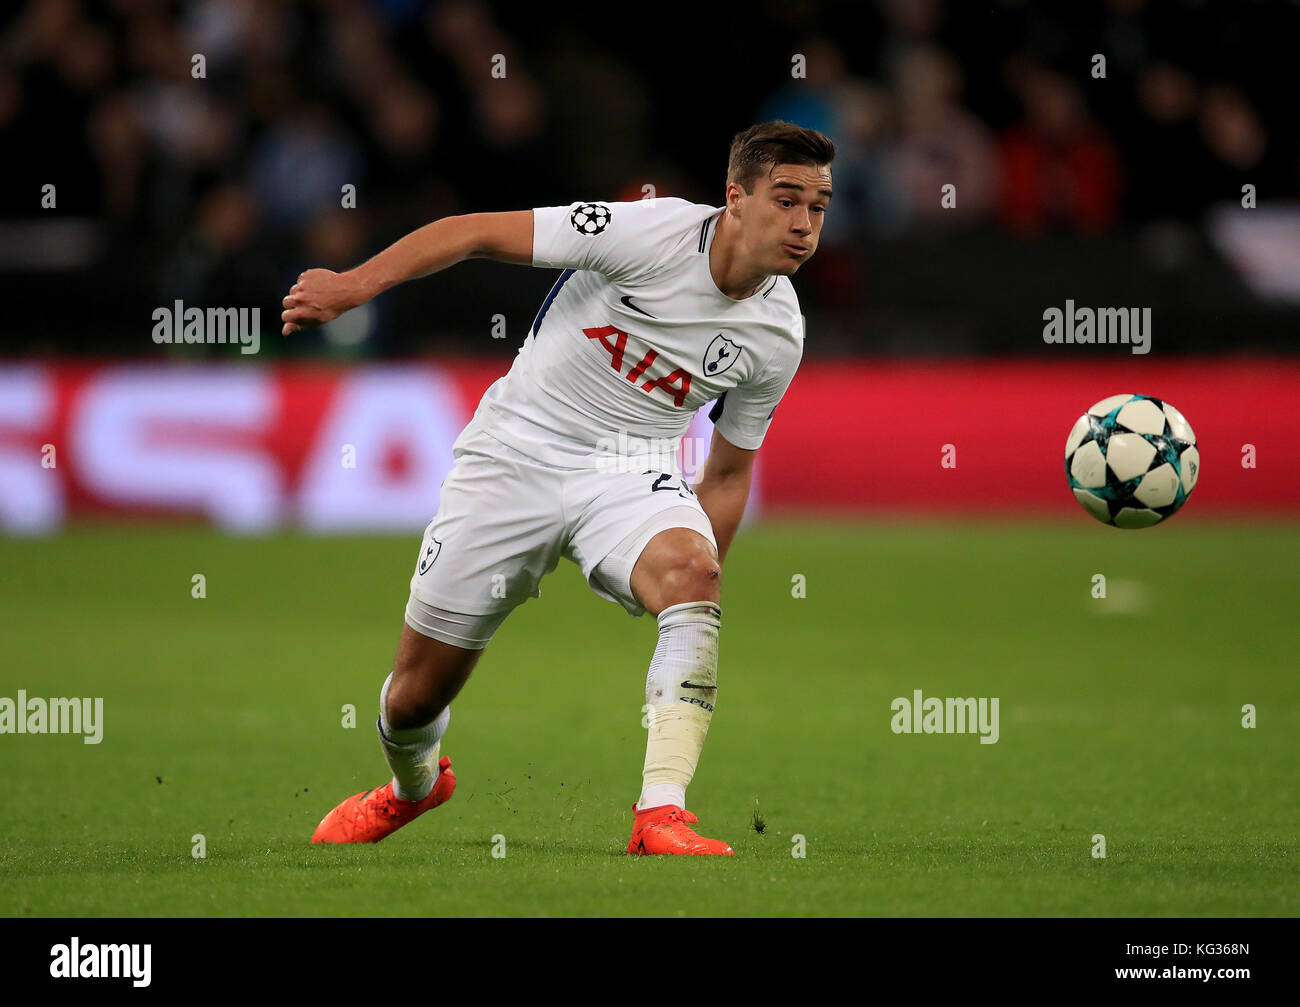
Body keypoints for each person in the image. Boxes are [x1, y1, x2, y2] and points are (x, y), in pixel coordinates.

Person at [281, 120, 834, 855]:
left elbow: (729, 472)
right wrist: (354, 286)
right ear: (736, 198)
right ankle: (413, 786)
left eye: (818, 208)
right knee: (414, 696)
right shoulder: (646, 233)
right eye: (786, 200)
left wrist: (690, 588)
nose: (803, 224)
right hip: (515, 456)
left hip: (630, 470)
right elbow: (473, 230)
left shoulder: (777, 333)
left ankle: (661, 811)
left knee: (694, 574)